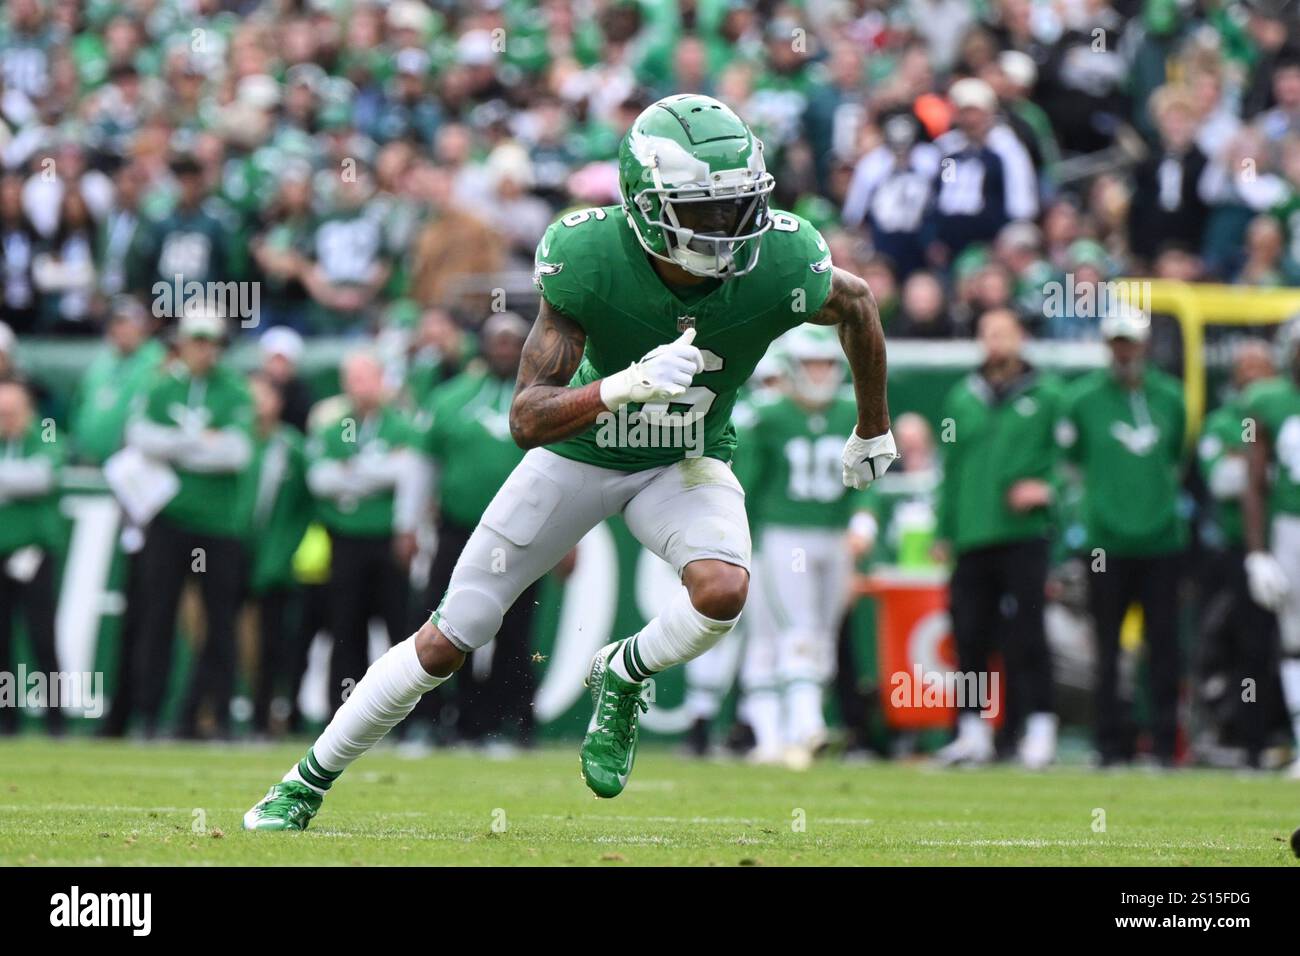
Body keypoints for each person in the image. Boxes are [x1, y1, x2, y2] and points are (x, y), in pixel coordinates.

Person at [244, 94, 896, 830]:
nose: (731, 228)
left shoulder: (783, 259)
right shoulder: (589, 257)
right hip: (578, 457)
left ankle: (624, 673)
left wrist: (872, 426)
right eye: (705, 210)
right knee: (450, 637)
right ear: (647, 207)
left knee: (721, 592)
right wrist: (618, 386)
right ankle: (303, 783)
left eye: (740, 206)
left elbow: (861, 305)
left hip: (683, 460)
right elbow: (527, 417)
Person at [735, 325, 870, 769]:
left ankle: (793, 734)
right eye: (811, 364)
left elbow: (867, 476)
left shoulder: (851, 410)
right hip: (782, 534)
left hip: (833, 534)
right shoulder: (768, 415)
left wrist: (864, 518)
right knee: (793, 630)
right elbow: (747, 484)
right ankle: (802, 727)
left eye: (826, 364)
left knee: (824, 637)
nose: (819, 373)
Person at [932, 309, 1063, 768]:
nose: (996, 341)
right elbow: (949, 471)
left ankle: (1040, 727)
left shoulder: (1049, 396)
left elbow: (1071, 463)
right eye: (988, 332)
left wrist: (1049, 491)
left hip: (1024, 534)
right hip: (972, 533)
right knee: (969, 635)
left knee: (1028, 632)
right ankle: (972, 731)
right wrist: (943, 529)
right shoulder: (962, 397)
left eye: (1004, 332)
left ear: (1021, 337)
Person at [1058, 306, 1187, 767]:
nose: (1123, 351)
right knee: (1106, 649)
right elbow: (1071, 462)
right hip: (1105, 544)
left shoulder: (1171, 397)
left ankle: (1165, 744)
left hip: (1161, 542)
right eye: (1116, 342)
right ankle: (1110, 743)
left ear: (1144, 345)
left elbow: (1176, 457)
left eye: (1129, 342)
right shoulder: (1084, 399)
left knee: (1164, 647)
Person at [125, 307, 254, 738]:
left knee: (219, 624)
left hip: (218, 527)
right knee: (156, 618)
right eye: (197, 341)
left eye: (211, 342)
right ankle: (148, 715)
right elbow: (141, 439)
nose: (204, 351)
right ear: (182, 343)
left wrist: (176, 446)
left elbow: (235, 452)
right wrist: (200, 442)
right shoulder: (161, 387)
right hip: (170, 521)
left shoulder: (234, 391)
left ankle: (216, 716)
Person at [412, 312, 534, 747]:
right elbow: (424, 464)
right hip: (457, 530)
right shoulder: (450, 398)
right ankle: (438, 720)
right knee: (444, 622)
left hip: (523, 536)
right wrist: (407, 524)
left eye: (511, 341)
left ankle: (506, 723)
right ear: (481, 345)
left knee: (515, 631)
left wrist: (573, 538)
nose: (503, 348)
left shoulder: (542, 398)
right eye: (496, 340)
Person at [304, 351, 421, 719]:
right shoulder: (334, 426)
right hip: (346, 540)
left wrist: (352, 474)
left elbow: (408, 473)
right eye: (353, 379)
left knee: (401, 632)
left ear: (383, 381)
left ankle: (411, 718)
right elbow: (320, 480)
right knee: (345, 628)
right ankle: (342, 716)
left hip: (389, 539)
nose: (360, 387)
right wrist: (379, 473)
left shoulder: (402, 425)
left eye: (366, 378)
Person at [1196, 339, 1277, 767]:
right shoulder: (1224, 421)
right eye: (1243, 366)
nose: (1250, 374)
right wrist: (1263, 466)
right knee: (1250, 646)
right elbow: (1224, 481)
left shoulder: (1285, 411)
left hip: (1289, 542)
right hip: (1241, 549)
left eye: (1259, 365)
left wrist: (1252, 464)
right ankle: (1253, 743)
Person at [1242, 317, 1300, 777]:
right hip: (1290, 527)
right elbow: (1254, 483)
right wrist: (1257, 551)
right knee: (1293, 639)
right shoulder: (1267, 401)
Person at [241, 371, 312, 737]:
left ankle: (266, 715)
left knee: (274, 644)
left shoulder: (292, 448)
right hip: (230, 557)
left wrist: (285, 550)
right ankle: (210, 713)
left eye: (265, 395)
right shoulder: (236, 441)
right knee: (218, 639)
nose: (258, 404)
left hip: (276, 563)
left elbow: (306, 504)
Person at [0, 377, 64, 735]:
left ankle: (55, 718)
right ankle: (7, 718)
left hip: (33, 551)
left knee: (41, 636)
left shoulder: (46, 432)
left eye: (12, 412)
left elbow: (44, 476)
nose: (7, 419)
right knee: (2, 639)